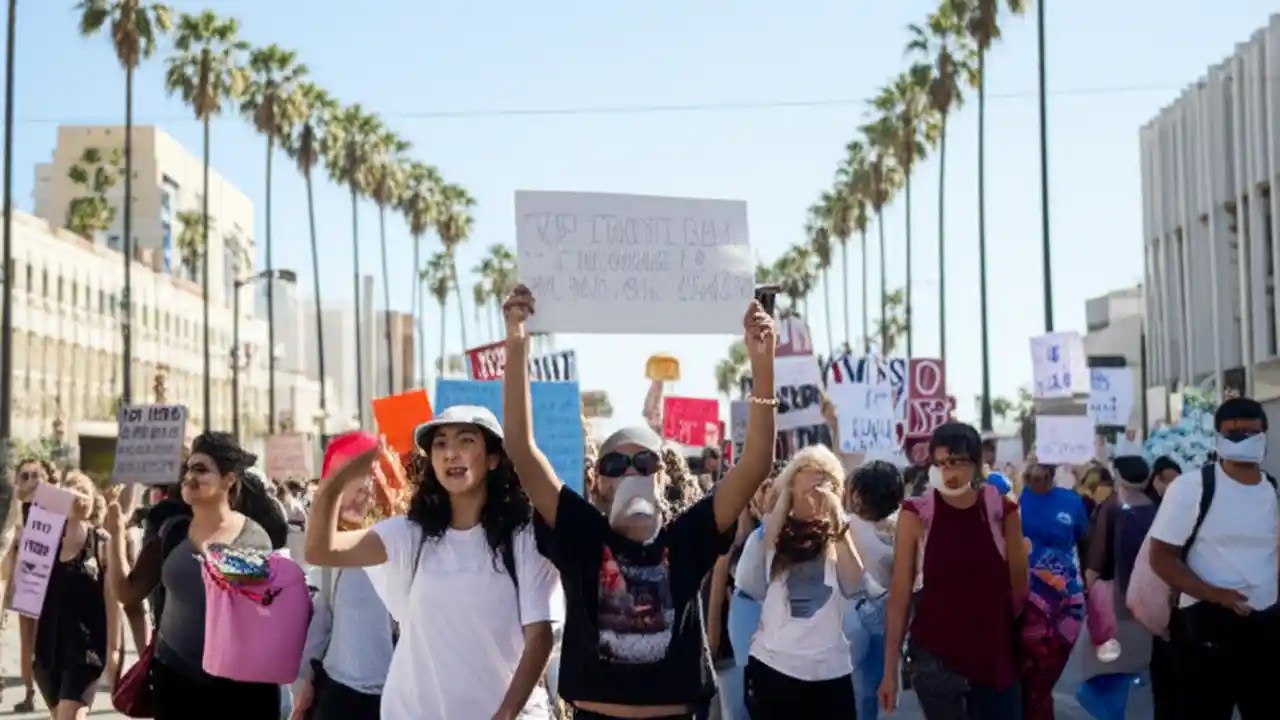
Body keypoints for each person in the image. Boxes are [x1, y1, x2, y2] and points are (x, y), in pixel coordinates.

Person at [500, 284, 778, 719]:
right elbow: (519, 445)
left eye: (643, 461)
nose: (630, 472)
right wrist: (516, 344)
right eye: (615, 465)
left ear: (662, 474)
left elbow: (756, 462)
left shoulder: (687, 538)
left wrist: (762, 364)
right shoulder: (582, 535)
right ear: (599, 484)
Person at [303, 411, 563, 720]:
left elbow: (540, 637)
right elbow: (322, 550)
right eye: (440, 444)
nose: (451, 453)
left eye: (466, 441)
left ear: (493, 458)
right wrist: (338, 481)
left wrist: (506, 714)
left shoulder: (523, 538)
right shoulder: (410, 534)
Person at [105, 432, 283, 719]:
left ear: (229, 480)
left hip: (239, 688)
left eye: (201, 470)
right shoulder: (172, 531)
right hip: (176, 679)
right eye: (188, 468)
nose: (189, 476)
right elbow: (127, 593)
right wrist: (114, 535)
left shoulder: (253, 537)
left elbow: (252, 605)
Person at [879, 422, 1028, 718]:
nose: (949, 472)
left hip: (995, 661)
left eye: (958, 462)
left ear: (976, 464)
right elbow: (899, 597)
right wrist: (889, 671)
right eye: (941, 463)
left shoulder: (1003, 512)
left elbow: (1019, 589)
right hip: (937, 664)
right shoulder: (915, 514)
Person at [1148, 397, 1279, 718]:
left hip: (1266, 627)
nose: (1242, 440)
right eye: (1233, 434)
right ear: (1218, 438)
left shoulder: (1272, 489)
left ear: (1265, 434)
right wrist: (1216, 595)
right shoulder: (1192, 487)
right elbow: (1161, 556)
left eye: (1250, 432)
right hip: (1207, 629)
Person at [736, 445, 864, 718]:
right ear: (792, 486)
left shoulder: (841, 534)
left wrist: (836, 519)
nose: (819, 492)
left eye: (827, 482)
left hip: (831, 670)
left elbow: (855, 586)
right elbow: (750, 591)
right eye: (810, 485)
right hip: (775, 667)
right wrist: (778, 515)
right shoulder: (765, 536)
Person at [293, 437, 395, 720]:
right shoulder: (326, 558)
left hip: (400, 698)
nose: (361, 496)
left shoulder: (403, 544)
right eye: (352, 487)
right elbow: (319, 630)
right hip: (341, 695)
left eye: (368, 487)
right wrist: (303, 688)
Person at [29, 471, 119, 720]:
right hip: (48, 649)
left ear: (92, 501)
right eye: (69, 492)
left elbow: (113, 601)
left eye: (82, 492)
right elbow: (21, 588)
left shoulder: (100, 542)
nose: (75, 498)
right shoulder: (42, 542)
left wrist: (114, 649)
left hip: (85, 651)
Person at [1017, 461, 1089, 720]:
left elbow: (1084, 543)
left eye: (1043, 476)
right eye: (1033, 477)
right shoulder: (1014, 500)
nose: (1038, 481)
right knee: (1027, 674)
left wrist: (1088, 588)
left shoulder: (1071, 502)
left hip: (1065, 600)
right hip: (1024, 597)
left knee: (1048, 670)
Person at [842, 460, 904, 720]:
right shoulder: (901, 531)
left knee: (857, 694)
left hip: (853, 617)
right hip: (883, 620)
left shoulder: (845, 525)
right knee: (867, 695)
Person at [2, 457, 56, 713]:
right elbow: (8, 540)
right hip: (28, 579)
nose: (32, 481)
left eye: (36, 475)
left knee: (53, 637)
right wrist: (18, 499)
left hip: (56, 580)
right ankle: (29, 692)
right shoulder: (18, 511)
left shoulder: (56, 504)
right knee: (27, 640)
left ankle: (53, 691)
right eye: (24, 476)